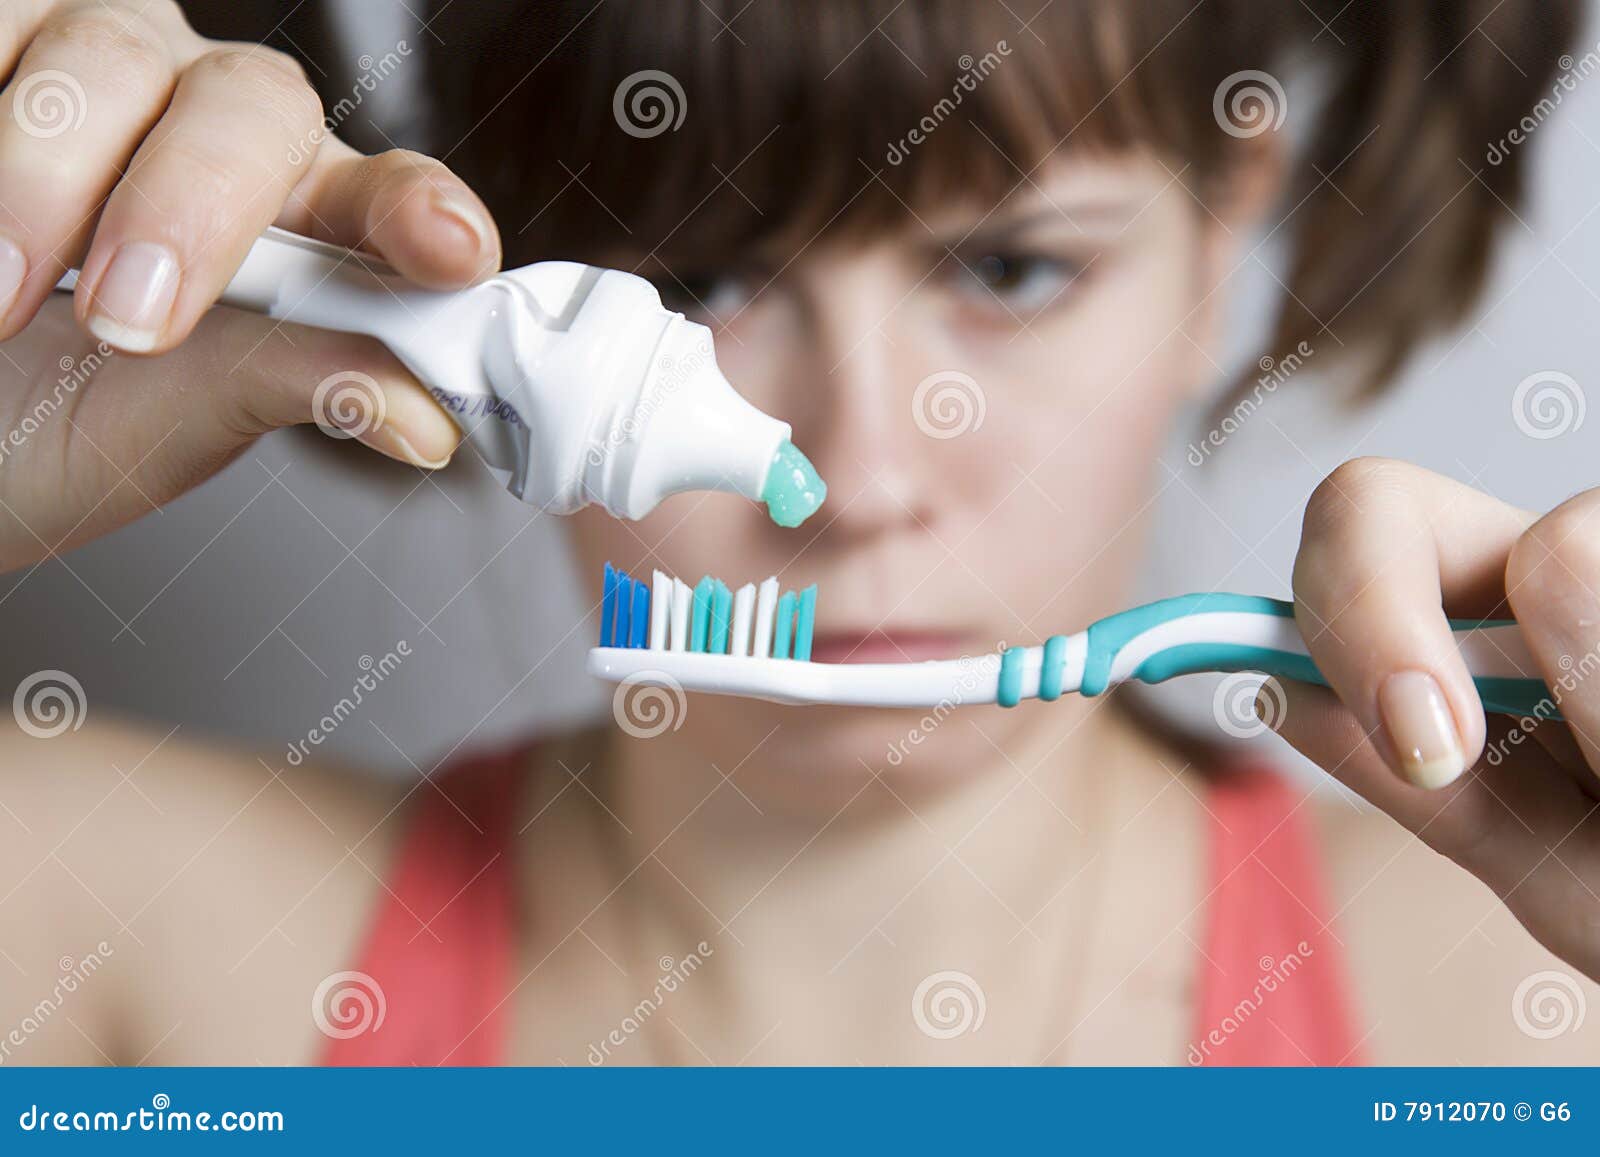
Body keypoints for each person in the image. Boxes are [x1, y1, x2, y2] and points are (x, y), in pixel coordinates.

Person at [0, 0, 1595, 1065]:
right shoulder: (101, 940)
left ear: (1220, 233)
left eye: (1012, 270)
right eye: (696, 285)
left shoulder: (1528, 994)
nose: (856, 476)